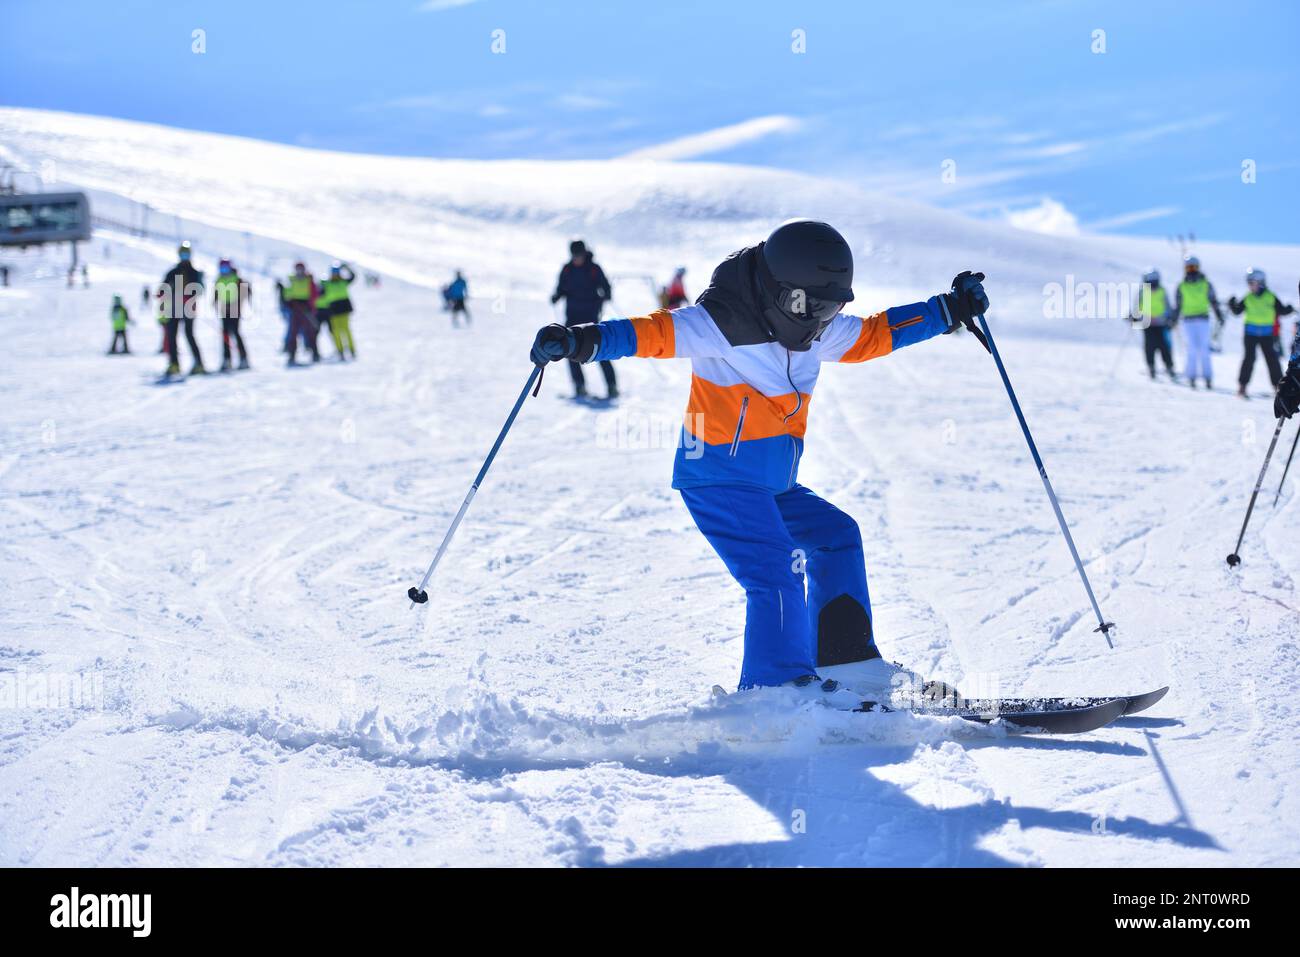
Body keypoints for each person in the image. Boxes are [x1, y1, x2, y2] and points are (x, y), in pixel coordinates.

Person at [528, 219, 990, 702]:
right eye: (810, 305)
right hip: (718, 480)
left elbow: (876, 335)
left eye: (832, 306)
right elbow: (648, 334)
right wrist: (579, 340)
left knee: (836, 536)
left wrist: (949, 310)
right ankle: (775, 691)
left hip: (774, 485)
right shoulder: (717, 325)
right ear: (781, 292)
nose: (820, 317)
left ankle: (847, 660)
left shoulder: (819, 330)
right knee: (777, 570)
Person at [551, 239, 617, 400]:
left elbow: (606, 286)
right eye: (574, 255)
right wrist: (557, 296)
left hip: (591, 317)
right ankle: (579, 386)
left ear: (584, 253)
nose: (577, 258)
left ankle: (611, 386)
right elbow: (561, 288)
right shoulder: (567, 270)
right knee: (570, 350)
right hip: (572, 316)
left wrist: (606, 295)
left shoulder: (594, 269)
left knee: (599, 349)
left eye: (579, 255)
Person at [1227, 268, 1293, 398]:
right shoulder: (1248, 297)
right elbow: (1237, 311)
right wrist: (1232, 304)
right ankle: (1242, 387)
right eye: (1249, 283)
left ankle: (1278, 387)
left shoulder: (1270, 296)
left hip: (1266, 334)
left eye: (1252, 282)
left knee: (1272, 360)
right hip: (1250, 333)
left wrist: (1289, 309)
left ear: (1260, 282)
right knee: (1249, 359)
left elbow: (1281, 310)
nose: (1250, 286)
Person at [1174, 255, 1224, 390]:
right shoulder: (1181, 286)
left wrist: (1218, 314)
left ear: (1198, 267)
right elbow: (1178, 304)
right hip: (1188, 320)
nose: (1191, 270)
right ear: (1185, 269)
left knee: (1204, 349)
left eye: (1193, 267)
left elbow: (1213, 300)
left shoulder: (1206, 283)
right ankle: (1191, 377)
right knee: (1191, 349)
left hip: (1203, 320)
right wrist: (1174, 319)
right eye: (1188, 267)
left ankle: (1207, 378)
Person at [160, 241, 206, 376]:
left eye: (187, 254)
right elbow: (163, 288)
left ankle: (199, 363)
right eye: (183, 254)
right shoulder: (173, 272)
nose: (185, 256)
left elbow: (200, 290)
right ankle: (174, 364)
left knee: (189, 334)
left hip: (188, 308)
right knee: (171, 335)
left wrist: (189, 295)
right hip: (173, 308)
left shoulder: (195, 273)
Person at [1131, 268, 1177, 380]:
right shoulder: (1143, 292)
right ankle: (1151, 367)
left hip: (1161, 324)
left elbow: (1167, 306)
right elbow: (1138, 307)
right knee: (1149, 347)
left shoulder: (1162, 291)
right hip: (1147, 324)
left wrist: (1170, 318)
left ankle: (1169, 367)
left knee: (1164, 347)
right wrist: (1135, 317)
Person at [212, 258, 251, 371]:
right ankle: (227, 359)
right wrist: (214, 302)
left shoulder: (237, 279)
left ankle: (243, 359)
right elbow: (216, 292)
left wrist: (237, 304)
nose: (224, 270)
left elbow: (244, 292)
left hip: (235, 309)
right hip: (224, 309)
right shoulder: (219, 279)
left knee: (235, 333)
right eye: (222, 268)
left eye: (226, 268)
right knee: (225, 334)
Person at [281, 261, 319, 365]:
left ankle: (315, 353)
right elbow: (286, 293)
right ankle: (291, 355)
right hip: (294, 309)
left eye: (301, 268)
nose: (299, 271)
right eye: (297, 269)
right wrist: (288, 301)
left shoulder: (309, 280)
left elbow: (314, 294)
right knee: (293, 333)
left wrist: (311, 306)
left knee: (309, 332)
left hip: (306, 308)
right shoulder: (291, 279)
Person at [321, 261, 357, 359]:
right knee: (336, 331)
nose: (335, 275)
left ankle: (351, 350)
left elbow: (353, 276)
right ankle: (340, 351)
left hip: (344, 308)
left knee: (346, 330)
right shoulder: (327, 284)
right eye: (334, 273)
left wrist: (346, 268)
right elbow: (319, 290)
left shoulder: (343, 282)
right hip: (333, 310)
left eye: (337, 273)